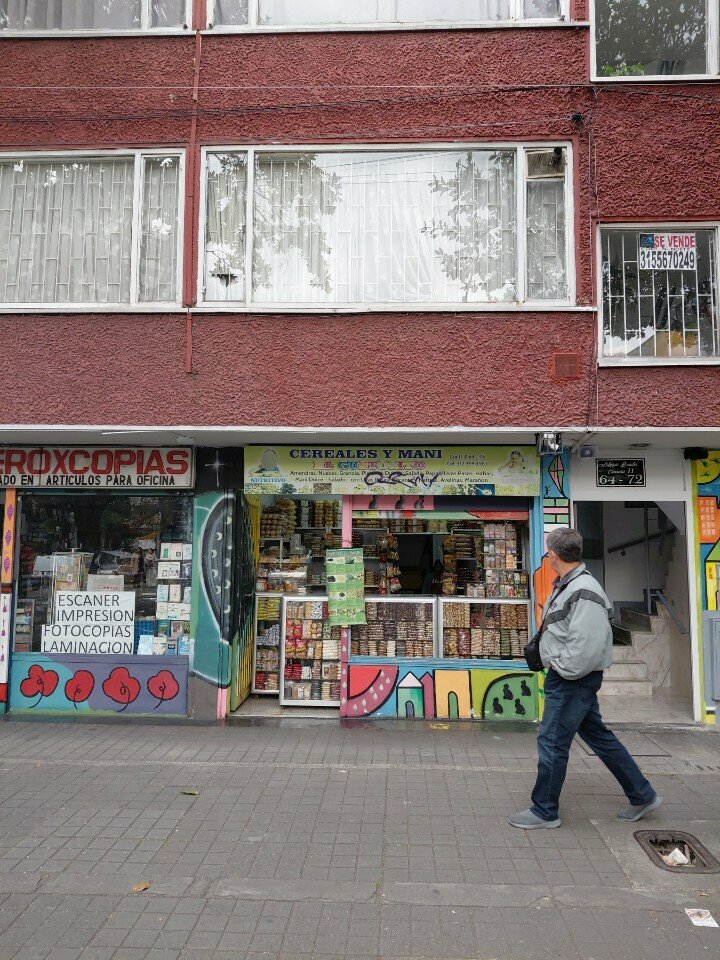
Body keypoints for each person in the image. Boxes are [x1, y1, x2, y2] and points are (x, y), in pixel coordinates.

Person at [509, 527, 662, 830]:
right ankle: (642, 794)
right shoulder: (570, 584)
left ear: (553, 554)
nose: (546, 555)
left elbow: (586, 646)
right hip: (572, 678)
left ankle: (544, 810)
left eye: (547, 551)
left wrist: (560, 667)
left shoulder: (584, 589)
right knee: (599, 737)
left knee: (551, 740)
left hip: (571, 679)